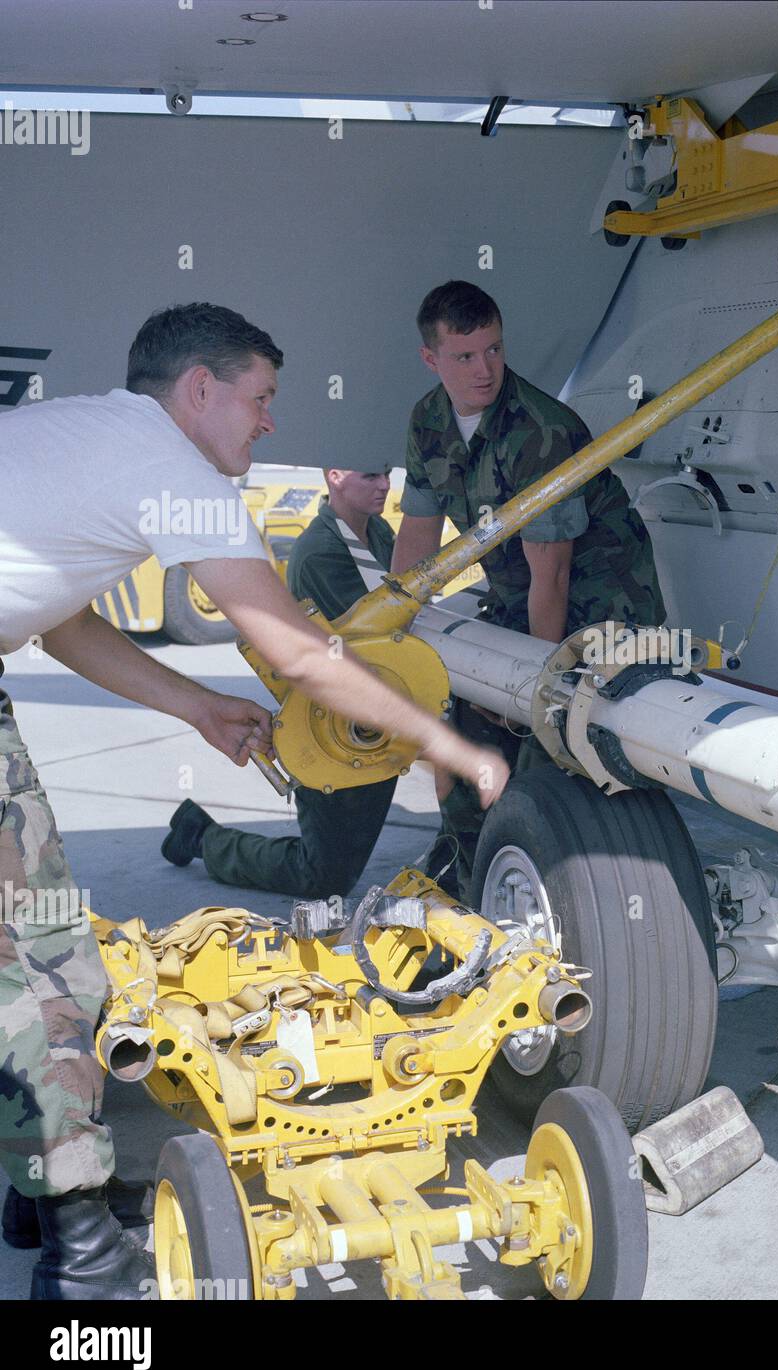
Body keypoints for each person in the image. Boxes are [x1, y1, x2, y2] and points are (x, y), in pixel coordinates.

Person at [0, 303, 508, 1300]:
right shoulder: (172, 471)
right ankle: (89, 1264)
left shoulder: (92, 436)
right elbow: (293, 648)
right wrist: (446, 742)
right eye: (262, 398)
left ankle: (40, 1189)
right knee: (39, 975)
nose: (272, 423)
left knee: (49, 952)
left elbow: (61, 625)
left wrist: (195, 706)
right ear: (200, 389)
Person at [391, 280, 665, 898]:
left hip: (601, 608)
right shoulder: (429, 420)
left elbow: (555, 573)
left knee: (557, 757)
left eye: (494, 349)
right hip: (521, 597)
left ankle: (560, 899)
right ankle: (466, 881)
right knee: (464, 733)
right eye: (464, 356)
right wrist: (390, 635)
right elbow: (417, 535)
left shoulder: (540, 430)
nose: (485, 369)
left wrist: (531, 689)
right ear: (430, 359)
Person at [162, 462, 403, 900]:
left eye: (386, 473)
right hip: (330, 724)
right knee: (320, 878)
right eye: (371, 475)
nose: (385, 484)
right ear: (334, 475)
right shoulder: (322, 552)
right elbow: (371, 644)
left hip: (372, 715)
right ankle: (201, 837)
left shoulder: (378, 532)